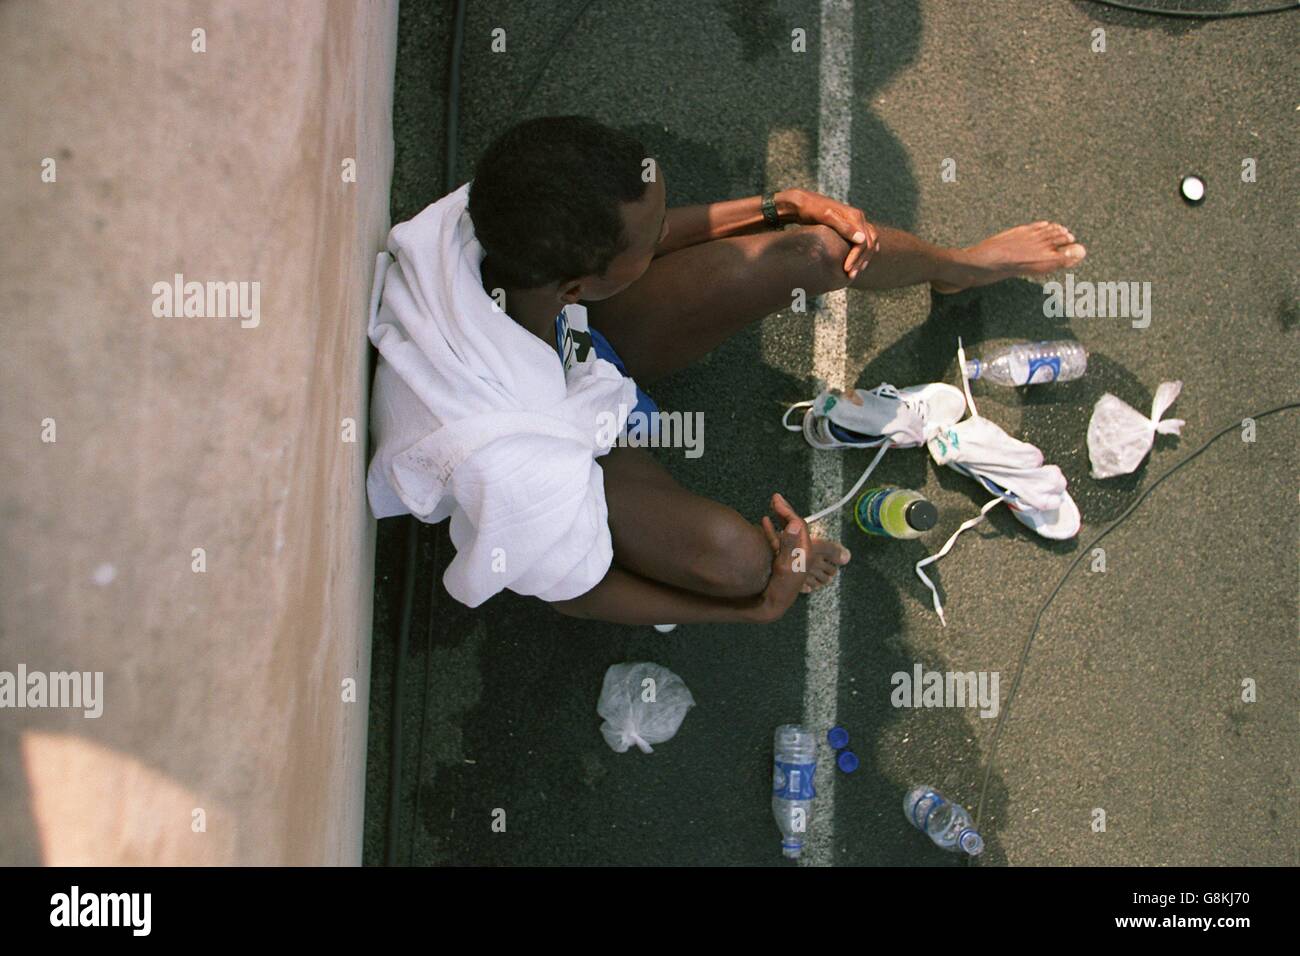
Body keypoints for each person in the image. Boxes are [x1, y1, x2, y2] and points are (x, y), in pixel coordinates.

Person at [369, 115, 1085, 627]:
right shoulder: (513, 465)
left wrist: (777, 208)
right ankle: (760, 584)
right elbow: (574, 592)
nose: (668, 234)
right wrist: (757, 610)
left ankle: (960, 268)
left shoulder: (505, 210)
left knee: (815, 251)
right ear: (578, 285)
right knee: (741, 564)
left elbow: (632, 242)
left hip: (574, 344)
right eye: (648, 243)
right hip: (566, 431)